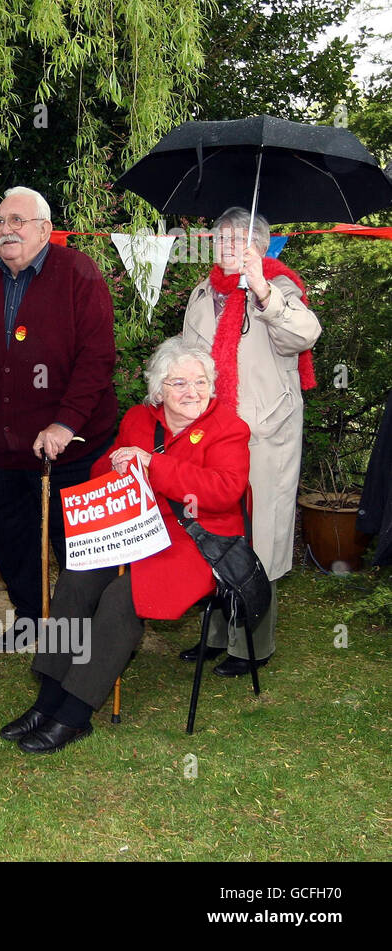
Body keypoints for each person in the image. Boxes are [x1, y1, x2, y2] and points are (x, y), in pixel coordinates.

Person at [0, 338, 251, 754]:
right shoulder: (139, 419)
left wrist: (155, 464)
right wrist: (116, 462)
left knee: (123, 598)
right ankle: (47, 699)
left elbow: (225, 491)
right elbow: (105, 471)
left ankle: (74, 714)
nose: (193, 392)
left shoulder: (229, 428)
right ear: (159, 389)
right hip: (136, 530)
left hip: (197, 540)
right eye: (180, 383)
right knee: (76, 580)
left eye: (201, 382)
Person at [180, 207, 320, 677]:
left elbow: (304, 334)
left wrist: (261, 289)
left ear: (260, 246)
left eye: (239, 240)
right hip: (211, 433)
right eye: (220, 239)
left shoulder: (280, 287)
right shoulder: (203, 293)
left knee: (257, 536)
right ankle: (216, 636)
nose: (227, 247)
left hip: (263, 434)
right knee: (212, 532)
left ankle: (254, 646)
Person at [0, 187, 118, 641]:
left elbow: (97, 357)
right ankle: (30, 618)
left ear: (44, 229)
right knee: (12, 538)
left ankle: (79, 628)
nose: (7, 229)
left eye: (18, 220)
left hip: (72, 445)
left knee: (74, 540)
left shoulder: (77, 271)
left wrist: (66, 422)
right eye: (0, 222)